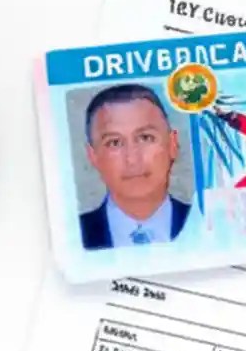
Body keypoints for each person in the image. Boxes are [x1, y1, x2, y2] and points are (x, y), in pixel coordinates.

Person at [79, 83, 192, 250]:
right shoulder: (74, 237)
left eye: (145, 138)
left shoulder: (208, 225)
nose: (132, 159)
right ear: (93, 156)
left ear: (172, 145)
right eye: (114, 143)